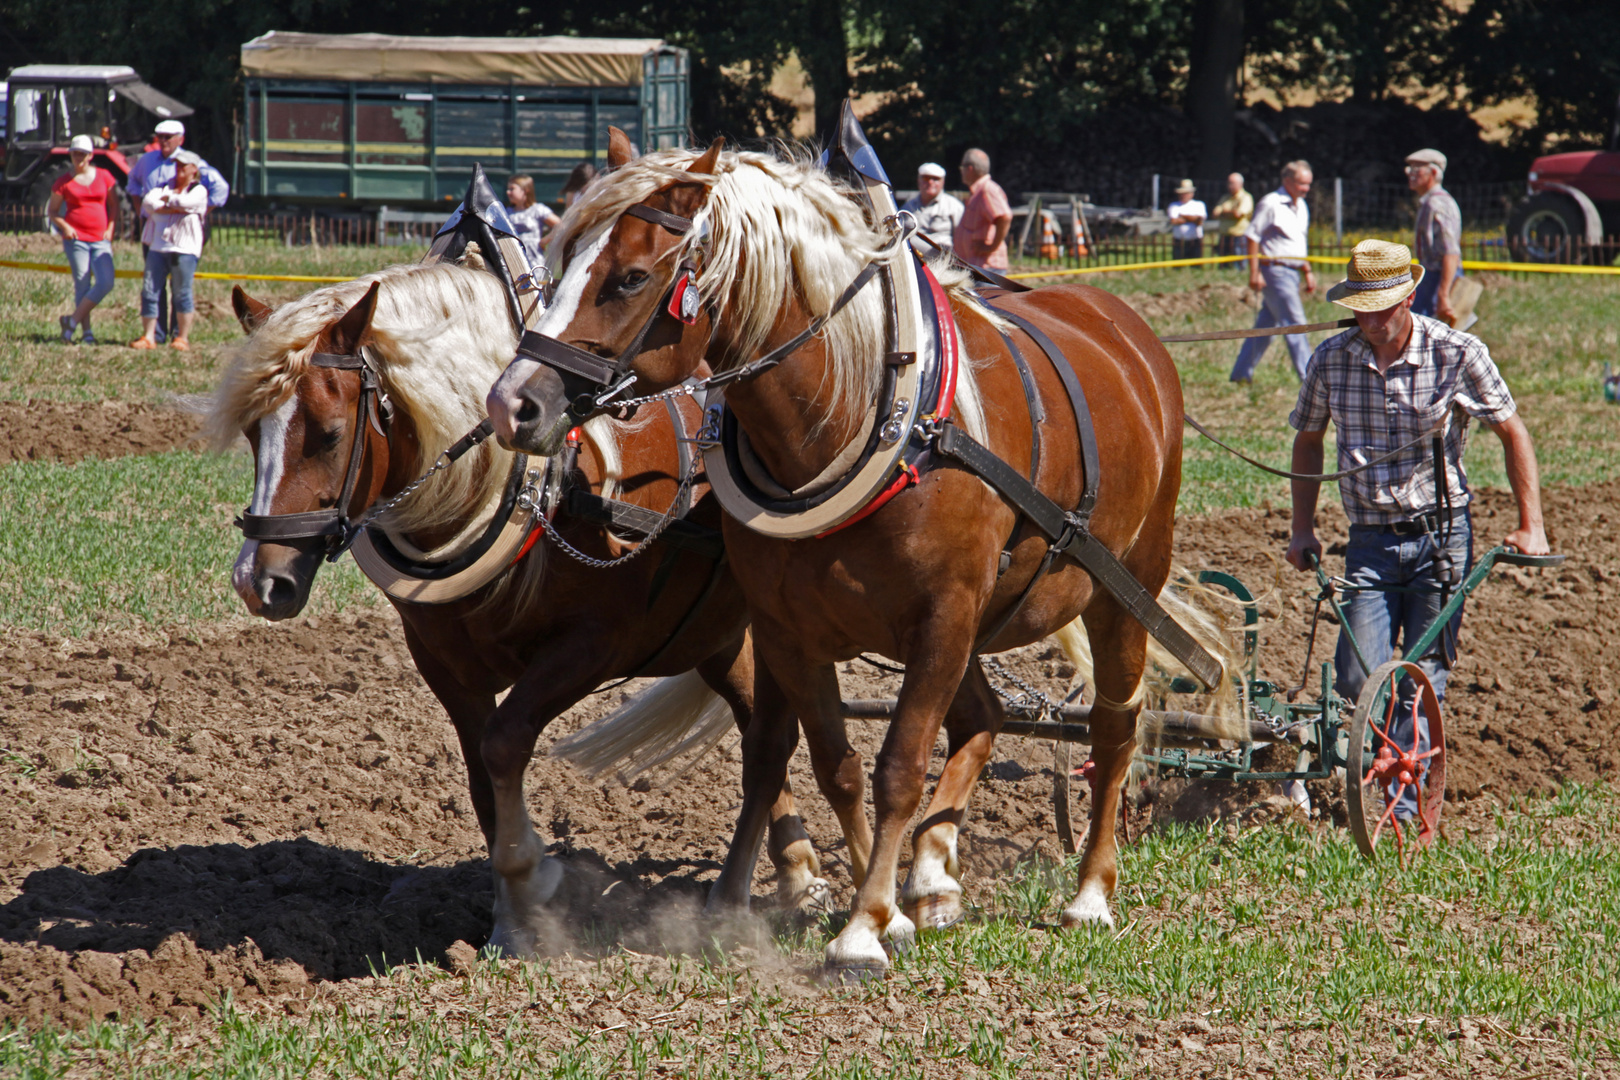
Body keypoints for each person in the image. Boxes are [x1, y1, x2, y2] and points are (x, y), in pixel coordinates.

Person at [1285, 239, 1548, 818]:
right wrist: (1301, 526)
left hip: (1442, 539)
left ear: (1407, 298)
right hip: (1369, 541)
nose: (1371, 320)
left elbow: (1512, 431)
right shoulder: (1331, 359)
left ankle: (1399, 803)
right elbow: (1308, 438)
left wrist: (1531, 525)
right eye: (1361, 307)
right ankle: (1376, 759)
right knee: (1358, 677)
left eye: (1381, 306)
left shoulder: (1457, 352)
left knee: (1423, 677)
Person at [127, 119, 229, 343]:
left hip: (185, 238)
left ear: (179, 139)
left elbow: (219, 188)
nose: (162, 141)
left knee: (180, 288)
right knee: (153, 287)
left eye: (168, 137)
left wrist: (197, 211)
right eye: (159, 136)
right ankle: (155, 335)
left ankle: (178, 335)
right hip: (155, 233)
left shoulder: (195, 164)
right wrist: (142, 209)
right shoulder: (146, 161)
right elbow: (137, 188)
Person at [1231, 160, 1317, 384]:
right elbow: (1252, 236)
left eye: (1308, 184)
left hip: (1293, 271)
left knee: (1266, 327)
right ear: (1287, 181)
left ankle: (1241, 374)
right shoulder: (1271, 203)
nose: (1306, 189)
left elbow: (1299, 242)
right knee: (1296, 324)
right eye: (1301, 184)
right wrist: (1254, 272)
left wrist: (1307, 270)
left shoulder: (1302, 206)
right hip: (1275, 271)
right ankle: (1309, 379)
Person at [131, 151, 208, 351]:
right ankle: (149, 337)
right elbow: (149, 203)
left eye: (184, 165)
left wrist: (167, 203)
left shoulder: (198, 190)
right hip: (158, 247)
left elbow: (188, 203)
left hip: (185, 249)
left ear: (194, 169)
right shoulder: (162, 187)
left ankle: (182, 338)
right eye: (177, 165)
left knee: (181, 293)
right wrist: (175, 205)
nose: (179, 168)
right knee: (150, 291)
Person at [48, 135, 120, 345]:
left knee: (106, 281)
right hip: (76, 239)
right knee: (82, 284)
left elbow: (114, 205)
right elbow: (53, 211)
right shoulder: (63, 183)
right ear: (70, 154)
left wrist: (110, 228)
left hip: (100, 239)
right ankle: (85, 332)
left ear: (90, 155)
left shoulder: (105, 176)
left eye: (82, 154)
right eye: (75, 153)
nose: (78, 157)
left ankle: (71, 321)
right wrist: (65, 227)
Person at [1406, 148, 1463, 326]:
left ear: (1433, 173)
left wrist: (1443, 294)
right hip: (1430, 278)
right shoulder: (1429, 202)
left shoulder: (1438, 204)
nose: (1411, 175)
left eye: (1417, 170)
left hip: (1438, 279)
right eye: (1409, 170)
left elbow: (1450, 252)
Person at [953, 148, 1012, 271]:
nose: (961, 171)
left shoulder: (987, 190)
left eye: (962, 167)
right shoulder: (978, 191)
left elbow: (1005, 217)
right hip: (978, 267)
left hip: (986, 268)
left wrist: (991, 247)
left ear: (969, 168)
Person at [900, 162, 964, 254]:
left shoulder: (954, 207)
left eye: (935, 179)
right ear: (918, 180)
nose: (930, 182)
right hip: (911, 261)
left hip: (944, 263)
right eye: (926, 178)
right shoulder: (907, 207)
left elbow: (963, 240)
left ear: (943, 182)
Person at [505, 174, 559, 266]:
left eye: (512, 189)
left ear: (525, 190)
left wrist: (546, 240)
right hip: (513, 262)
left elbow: (560, 225)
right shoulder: (507, 213)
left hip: (534, 262)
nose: (508, 192)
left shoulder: (537, 210)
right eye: (508, 189)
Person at [1211, 172, 1253, 263]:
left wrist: (1223, 212)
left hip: (1239, 237)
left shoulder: (1246, 197)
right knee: (1223, 265)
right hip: (1224, 236)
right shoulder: (1225, 197)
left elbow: (1238, 215)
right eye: (1228, 183)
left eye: (1232, 183)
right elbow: (1215, 213)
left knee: (1238, 265)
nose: (1230, 186)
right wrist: (1231, 212)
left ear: (1240, 184)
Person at [1167, 178, 1206, 262]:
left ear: (1191, 193)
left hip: (1195, 240)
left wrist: (1183, 216)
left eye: (1186, 193)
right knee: (1178, 265)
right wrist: (1192, 219)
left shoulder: (1199, 205)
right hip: (1179, 240)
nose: (1183, 195)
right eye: (1181, 193)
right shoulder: (1174, 205)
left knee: (1196, 264)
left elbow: (1199, 221)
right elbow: (1174, 221)